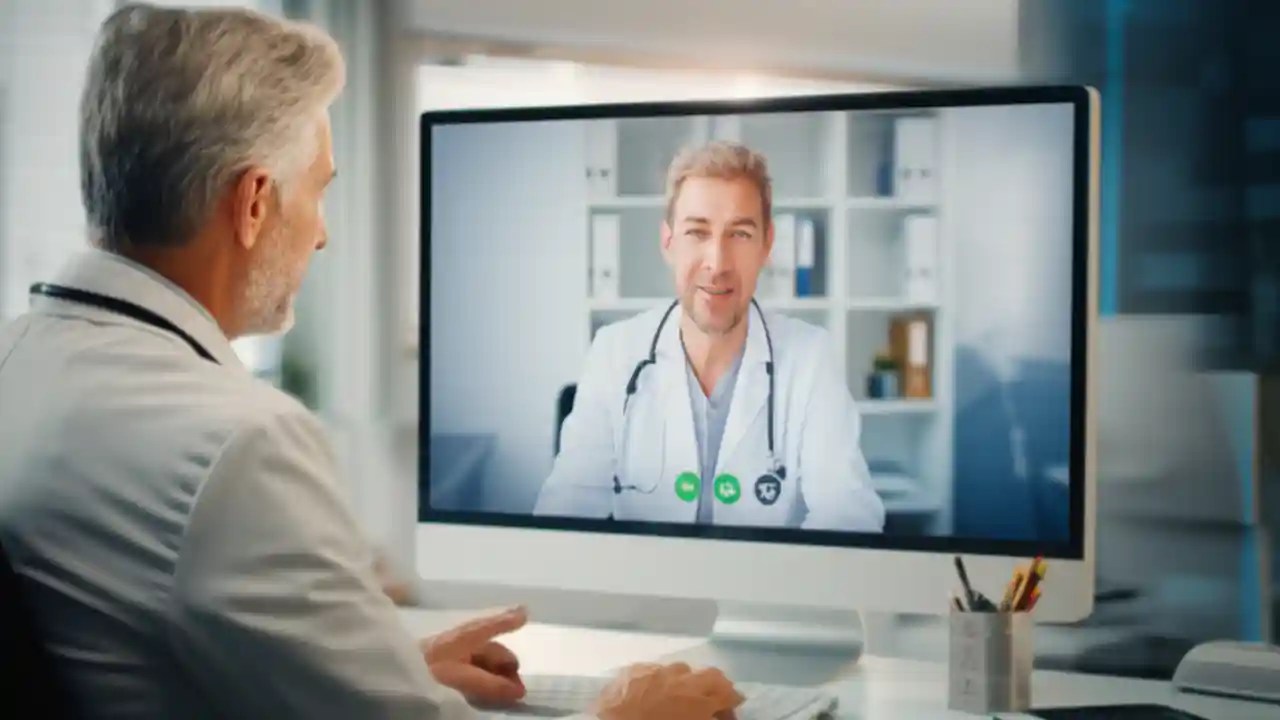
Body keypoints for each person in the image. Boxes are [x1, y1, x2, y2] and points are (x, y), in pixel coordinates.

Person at [0, 5, 742, 720]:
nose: (321, 235)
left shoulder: (18, 364)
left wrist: (381, 673)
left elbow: (135, 647)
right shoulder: (236, 443)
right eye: (320, 191)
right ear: (254, 203)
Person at [535, 141, 886, 531]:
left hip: (764, 588)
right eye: (697, 232)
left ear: (767, 245)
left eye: (739, 234)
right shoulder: (614, 353)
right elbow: (564, 511)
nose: (717, 263)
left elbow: (849, 516)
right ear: (668, 242)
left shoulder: (810, 358)